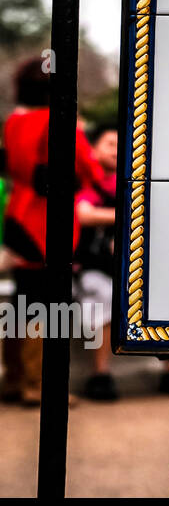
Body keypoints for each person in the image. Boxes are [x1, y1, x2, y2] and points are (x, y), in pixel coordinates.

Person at [0, 57, 101, 406]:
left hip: (18, 215)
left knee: (22, 302)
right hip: (46, 223)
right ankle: (37, 385)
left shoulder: (14, 121)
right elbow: (86, 166)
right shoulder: (60, 120)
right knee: (45, 306)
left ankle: (14, 378)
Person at [73, 125, 119, 401]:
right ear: (94, 150)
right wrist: (126, 214)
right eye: (109, 144)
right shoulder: (88, 182)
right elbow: (84, 215)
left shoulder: (133, 180)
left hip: (126, 269)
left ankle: (168, 370)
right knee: (101, 296)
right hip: (93, 267)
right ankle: (100, 374)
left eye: (119, 144)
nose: (116, 150)